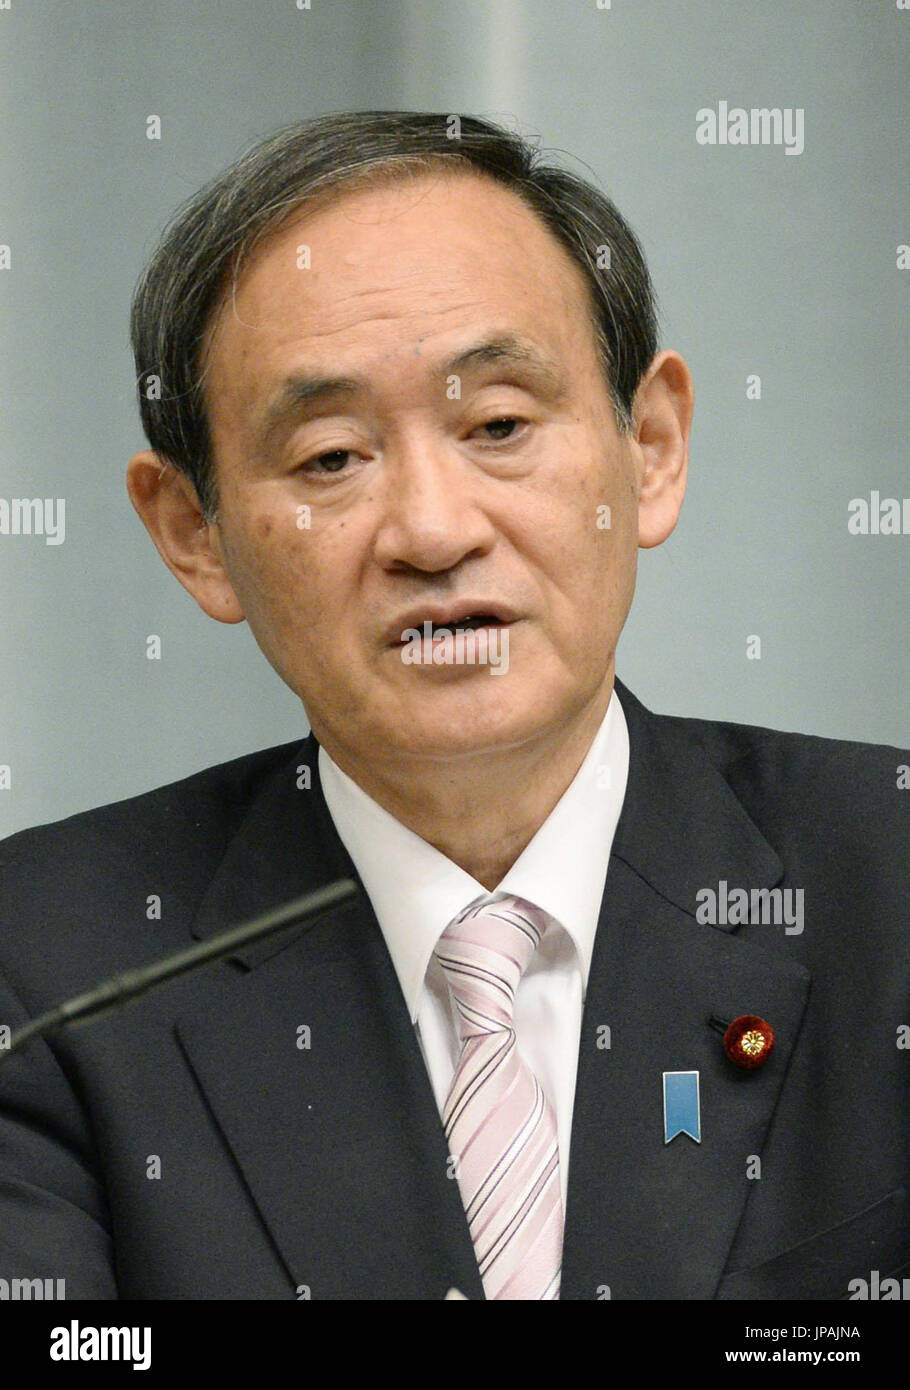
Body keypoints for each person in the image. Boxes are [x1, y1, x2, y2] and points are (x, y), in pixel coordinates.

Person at [0, 112, 907, 1301]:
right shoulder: (44, 967)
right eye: (331, 457)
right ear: (194, 533)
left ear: (649, 446)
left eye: (498, 426)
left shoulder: (886, 881)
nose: (432, 530)